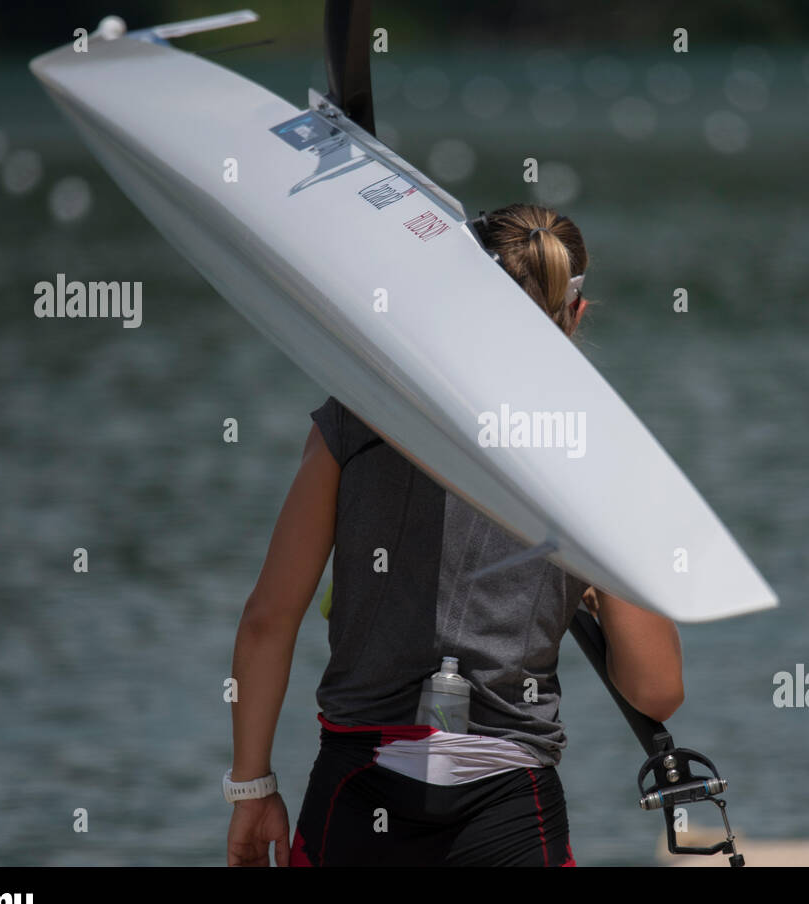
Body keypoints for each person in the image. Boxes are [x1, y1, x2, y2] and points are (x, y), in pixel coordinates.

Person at [225, 203, 683, 866]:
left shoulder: (355, 421)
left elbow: (268, 621)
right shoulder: (600, 458)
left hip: (358, 796)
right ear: (576, 312)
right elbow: (656, 689)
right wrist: (591, 592)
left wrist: (252, 788)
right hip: (510, 815)